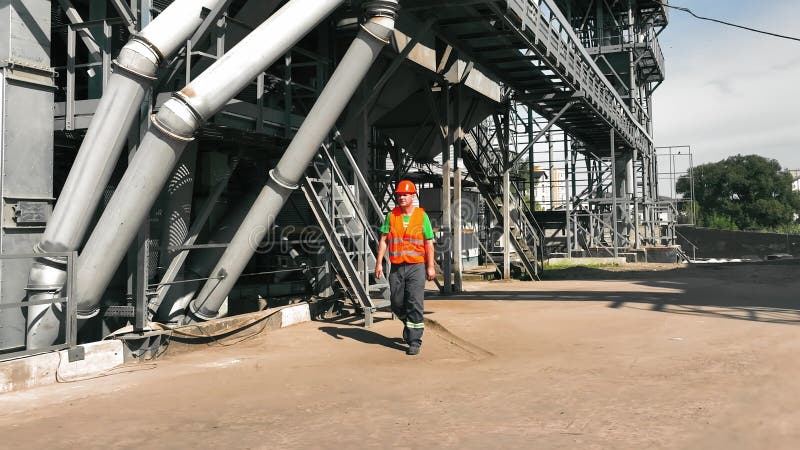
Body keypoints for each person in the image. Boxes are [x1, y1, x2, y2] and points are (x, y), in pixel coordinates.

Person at [375, 179, 436, 356]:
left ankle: (414, 341)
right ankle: (409, 325)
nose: (402, 197)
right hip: (396, 267)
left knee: (415, 303)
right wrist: (379, 263)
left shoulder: (421, 216)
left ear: (413, 196)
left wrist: (430, 266)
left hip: (416, 266)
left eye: (405, 194)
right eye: (399, 195)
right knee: (396, 303)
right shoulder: (391, 216)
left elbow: (429, 243)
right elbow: (384, 241)